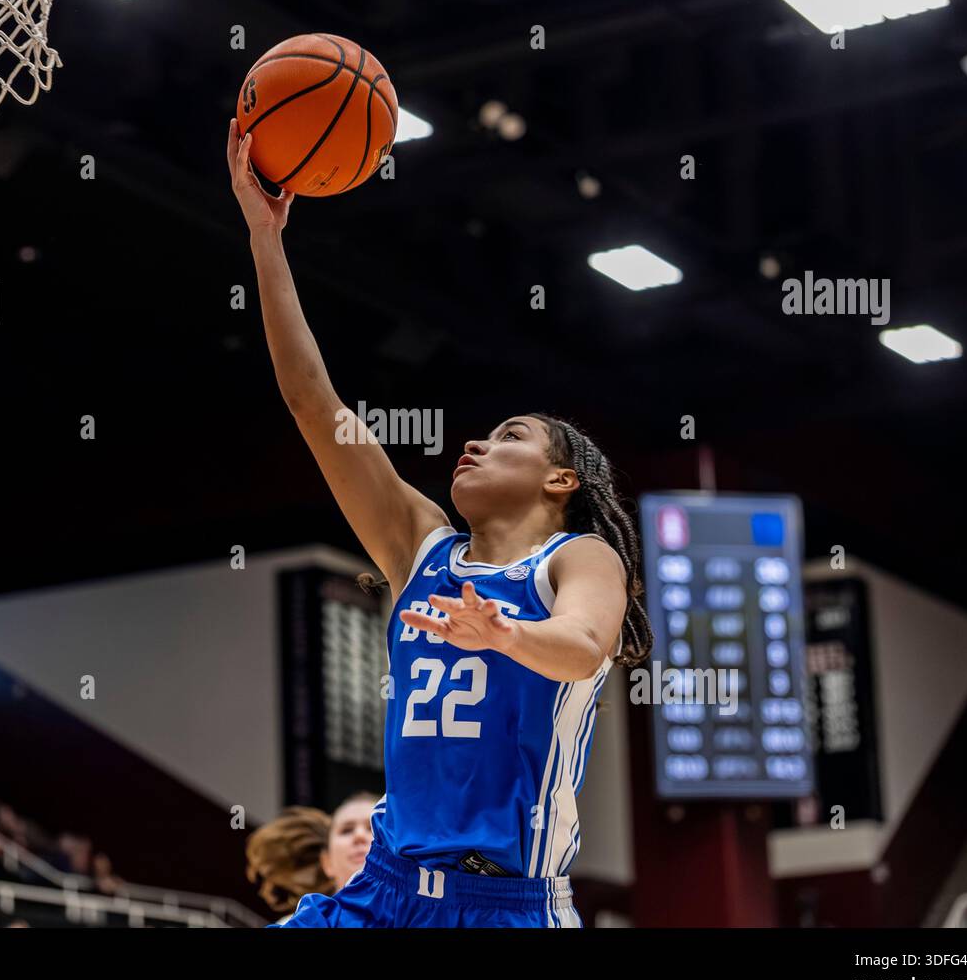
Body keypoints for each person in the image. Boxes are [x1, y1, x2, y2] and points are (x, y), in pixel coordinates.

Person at [228, 122, 652, 928]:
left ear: (562, 479)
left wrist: (504, 635)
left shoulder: (577, 557)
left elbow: (585, 645)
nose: (475, 443)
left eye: (510, 438)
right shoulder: (421, 545)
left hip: (503, 904)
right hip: (383, 891)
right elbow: (314, 406)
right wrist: (264, 235)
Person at [246, 793, 376, 923]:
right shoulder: (294, 924)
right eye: (346, 830)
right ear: (327, 862)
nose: (359, 835)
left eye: (373, 828)